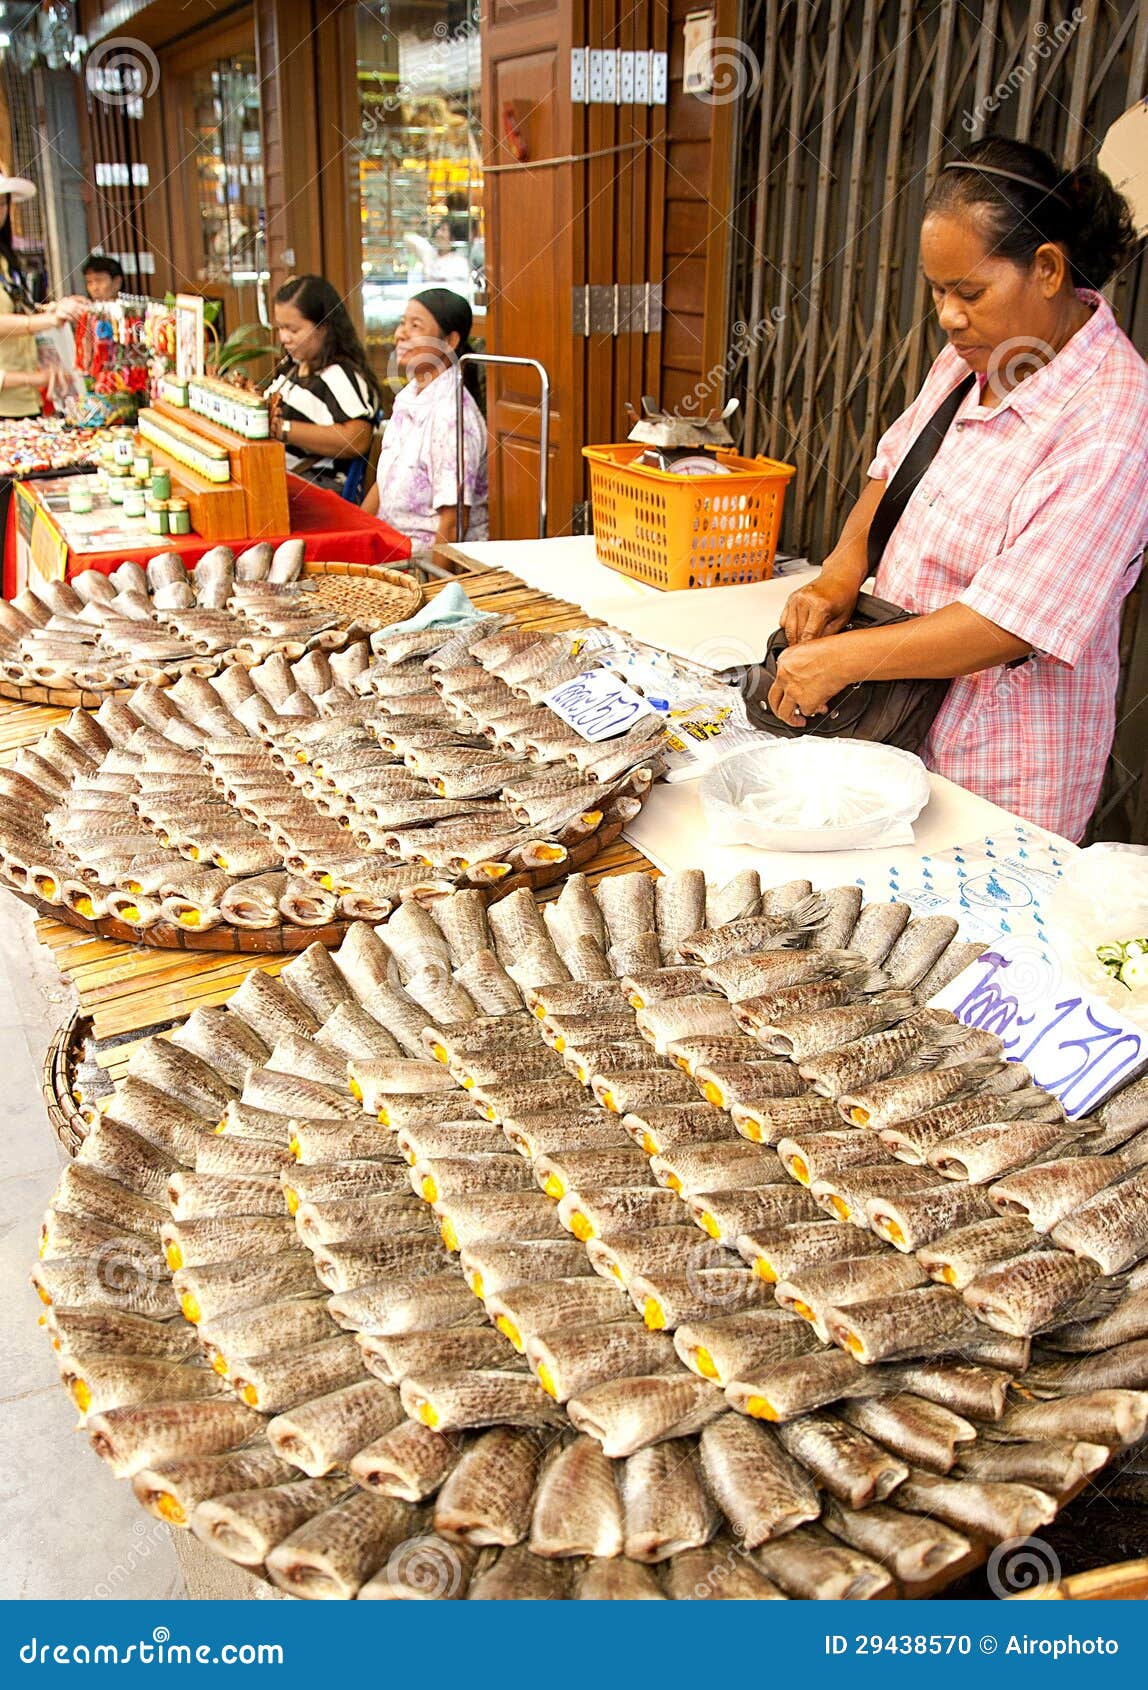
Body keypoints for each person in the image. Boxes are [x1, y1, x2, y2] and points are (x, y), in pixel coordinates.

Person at [769, 136, 1148, 842]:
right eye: (938, 290)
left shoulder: (1114, 418)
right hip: (893, 726)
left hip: (999, 773)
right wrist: (840, 574)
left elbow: (1013, 622)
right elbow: (894, 470)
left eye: (969, 292)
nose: (947, 316)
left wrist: (840, 660)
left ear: (1046, 269)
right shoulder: (970, 355)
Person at [362, 287, 488, 550]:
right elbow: (384, 483)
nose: (401, 334)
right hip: (391, 543)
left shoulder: (451, 415)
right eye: (402, 323)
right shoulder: (409, 396)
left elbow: (453, 524)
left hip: (423, 557)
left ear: (450, 341)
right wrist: (356, 535)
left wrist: (435, 579)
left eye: (415, 326)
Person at [265, 274, 381, 489]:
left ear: (323, 327)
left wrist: (283, 429)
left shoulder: (339, 375)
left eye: (293, 330)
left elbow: (357, 439)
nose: (284, 338)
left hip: (315, 487)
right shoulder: (293, 367)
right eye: (280, 328)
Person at [0, 167, 83, 419]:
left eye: (2, 203)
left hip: (25, 403)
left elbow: (18, 307)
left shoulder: (6, 259)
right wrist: (48, 320)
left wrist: (53, 310)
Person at [403, 216, 472, 287]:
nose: (438, 233)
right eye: (438, 229)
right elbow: (408, 238)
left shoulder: (460, 262)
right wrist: (414, 224)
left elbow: (460, 287)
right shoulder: (429, 253)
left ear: (452, 238)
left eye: (443, 230)